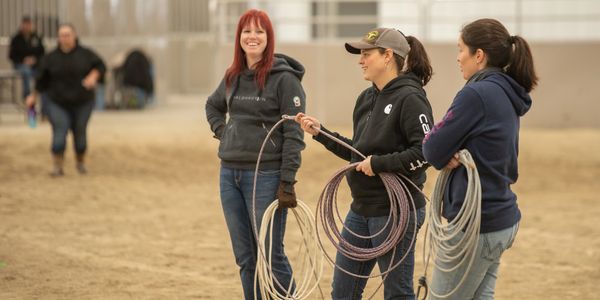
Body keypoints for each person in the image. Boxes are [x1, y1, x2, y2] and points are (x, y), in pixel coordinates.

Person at [295, 28, 434, 299]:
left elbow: (426, 153)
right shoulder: (366, 98)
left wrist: (380, 164)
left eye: (367, 54)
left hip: (396, 211)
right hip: (361, 208)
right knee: (343, 293)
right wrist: (322, 133)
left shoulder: (411, 99)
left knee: (397, 293)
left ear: (388, 56)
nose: (361, 60)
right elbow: (359, 154)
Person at [422, 18, 538, 299]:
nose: (458, 57)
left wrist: (445, 148)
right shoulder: (505, 91)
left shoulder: (476, 93)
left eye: (461, 49)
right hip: (500, 217)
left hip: (476, 225)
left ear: (479, 55)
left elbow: (432, 149)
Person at [204, 9, 306, 299]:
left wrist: (287, 180)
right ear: (239, 37)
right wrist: (224, 132)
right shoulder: (232, 76)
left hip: (266, 176)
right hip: (229, 175)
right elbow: (212, 106)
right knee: (246, 259)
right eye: (247, 31)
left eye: (259, 32)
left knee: (271, 256)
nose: (252, 37)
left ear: (268, 38)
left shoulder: (285, 80)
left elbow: (294, 134)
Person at [25, 24, 106, 176]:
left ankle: (80, 162)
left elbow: (101, 66)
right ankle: (57, 165)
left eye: (68, 34)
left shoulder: (86, 54)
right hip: (57, 102)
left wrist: (93, 76)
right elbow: (41, 80)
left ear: (74, 35)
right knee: (60, 132)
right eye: (62, 35)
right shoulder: (50, 58)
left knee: (80, 135)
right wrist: (33, 96)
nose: (65, 38)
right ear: (58, 37)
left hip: (83, 102)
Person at [8, 15, 45, 100]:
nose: (26, 27)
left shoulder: (36, 37)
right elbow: (11, 55)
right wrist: (23, 60)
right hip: (19, 64)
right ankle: (27, 97)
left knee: (43, 74)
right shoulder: (16, 39)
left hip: (35, 65)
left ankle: (43, 103)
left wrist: (34, 60)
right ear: (21, 25)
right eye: (25, 24)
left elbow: (42, 53)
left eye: (28, 24)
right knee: (26, 71)